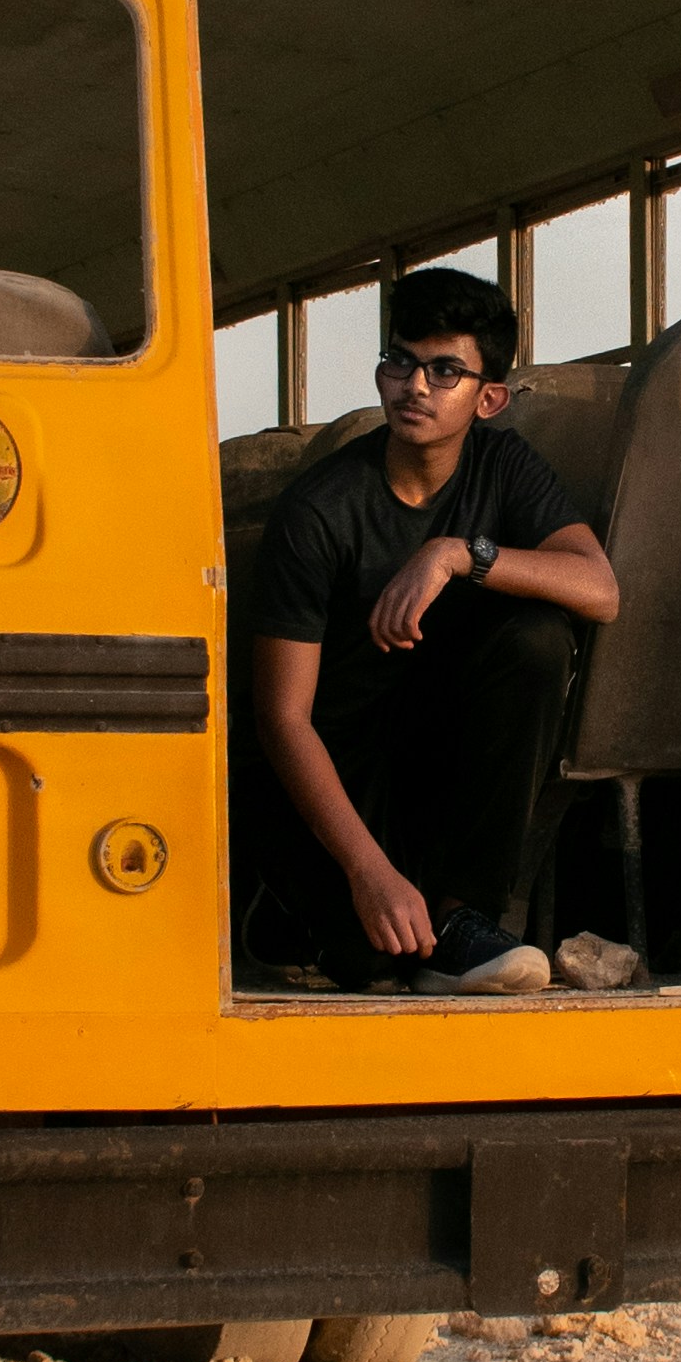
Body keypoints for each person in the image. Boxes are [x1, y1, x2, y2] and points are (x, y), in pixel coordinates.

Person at [236, 265, 620, 991]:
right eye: (400, 361)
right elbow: (281, 719)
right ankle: (279, 905)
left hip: (432, 751)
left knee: (538, 639)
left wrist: (455, 555)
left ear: (489, 398)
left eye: (445, 370)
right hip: (332, 762)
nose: (414, 386)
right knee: (372, 961)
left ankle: (461, 916)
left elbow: (598, 590)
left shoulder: (502, 465)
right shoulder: (318, 511)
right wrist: (367, 871)